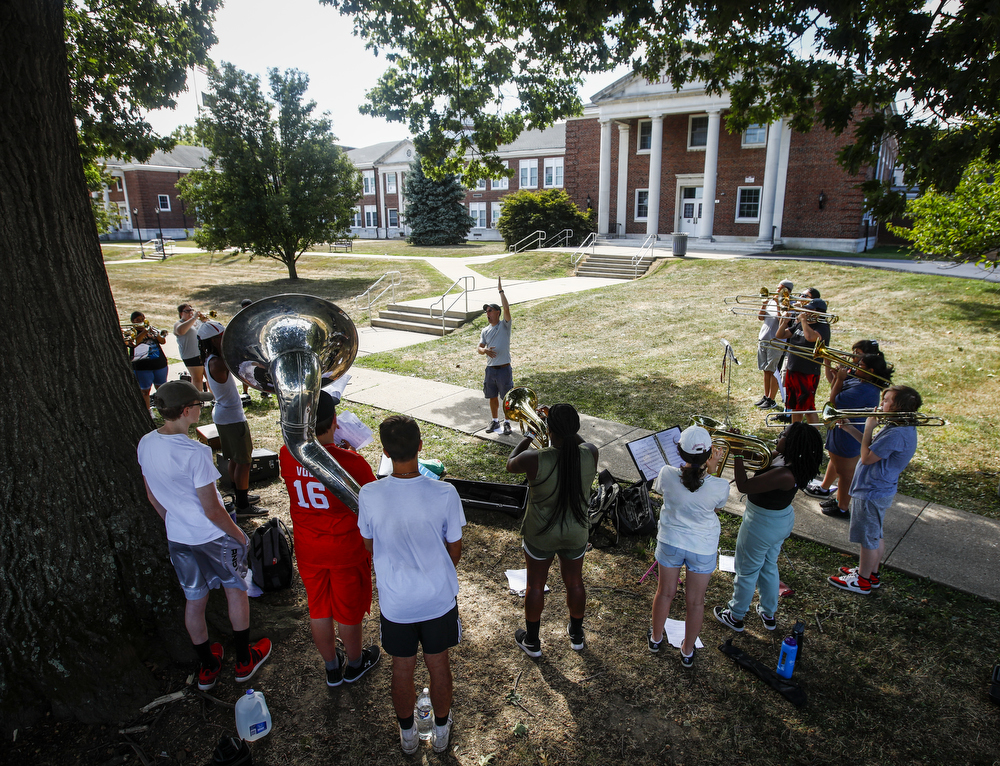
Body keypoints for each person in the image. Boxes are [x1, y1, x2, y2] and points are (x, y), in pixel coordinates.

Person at [137, 380, 271, 691]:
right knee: (235, 590)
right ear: (186, 411)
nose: (202, 407)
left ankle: (208, 666)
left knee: (194, 600)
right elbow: (212, 509)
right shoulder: (196, 452)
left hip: (178, 536)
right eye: (199, 404)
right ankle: (243, 660)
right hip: (212, 537)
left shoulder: (146, 443)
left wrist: (175, 522)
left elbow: (151, 496)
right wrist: (239, 535)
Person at [358, 415, 466, 755]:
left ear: (385, 453)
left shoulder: (370, 493)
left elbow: (368, 543)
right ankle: (441, 728)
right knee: (439, 664)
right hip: (437, 600)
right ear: (420, 447)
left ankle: (407, 733)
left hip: (397, 603)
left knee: (402, 668)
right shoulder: (445, 492)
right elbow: (455, 547)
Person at [279, 391, 381, 686]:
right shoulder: (351, 461)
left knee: (319, 608)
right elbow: (371, 499)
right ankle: (355, 663)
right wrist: (347, 453)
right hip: (345, 549)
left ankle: (331, 668)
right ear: (334, 422)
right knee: (348, 611)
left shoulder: (287, 453)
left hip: (309, 548)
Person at [505, 403, 599, 657]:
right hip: (576, 532)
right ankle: (577, 635)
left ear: (550, 429)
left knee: (535, 585)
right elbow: (578, 442)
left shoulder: (534, 459)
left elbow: (510, 463)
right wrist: (560, 427)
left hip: (541, 533)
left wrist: (531, 434)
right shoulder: (591, 453)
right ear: (576, 428)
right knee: (575, 582)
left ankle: (533, 642)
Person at [714, 421, 824, 632]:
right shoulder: (784, 459)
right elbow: (756, 458)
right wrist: (738, 442)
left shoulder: (785, 474)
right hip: (778, 520)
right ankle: (768, 612)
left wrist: (737, 454)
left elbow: (744, 486)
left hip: (762, 523)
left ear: (792, 444)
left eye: (784, 434)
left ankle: (735, 616)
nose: (778, 436)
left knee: (746, 569)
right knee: (768, 565)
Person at [647, 426, 730, 668]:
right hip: (702, 548)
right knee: (695, 602)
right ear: (708, 454)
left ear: (679, 452)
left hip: (670, 541)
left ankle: (655, 638)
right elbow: (714, 507)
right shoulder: (720, 486)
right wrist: (712, 468)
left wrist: (703, 466)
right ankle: (687, 650)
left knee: (664, 592)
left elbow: (667, 489)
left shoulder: (666, 472)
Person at [827, 385, 922, 594]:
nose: (881, 404)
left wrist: (868, 427)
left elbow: (867, 457)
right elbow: (872, 448)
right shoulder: (898, 428)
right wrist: (851, 428)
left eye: (887, 400)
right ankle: (871, 573)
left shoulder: (896, 433)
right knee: (875, 534)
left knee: (868, 538)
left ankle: (862, 581)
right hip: (877, 487)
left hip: (872, 489)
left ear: (899, 407)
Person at [805, 345, 894, 519]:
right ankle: (831, 494)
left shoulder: (864, 390)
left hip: (848, 434)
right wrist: (834, 370)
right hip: (842, 429)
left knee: (846, 473)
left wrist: (839, 380)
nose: (856, 367)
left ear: (871, 370)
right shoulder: (860, 380)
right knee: (836, 462)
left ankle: (843, 507)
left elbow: (834, 402)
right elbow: (835, 384)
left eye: (860, 365)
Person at [197, 319, 261, 516]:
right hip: (232, 417)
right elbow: (245, 364)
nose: (226, 338)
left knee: (235, 458)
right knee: (244, 461)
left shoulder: (211, 359)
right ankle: (243, 506)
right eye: (222, 336)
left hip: (225, 415)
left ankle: (240, 496)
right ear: (214, 340)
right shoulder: (219, 361)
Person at [775, 288, 831, 424]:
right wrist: (784, 320)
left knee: (808, 408)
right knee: (794, 406)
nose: (805, 311)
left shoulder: (822, 327)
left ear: (817, 312)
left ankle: (815, 435)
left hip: (808, 372)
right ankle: (795, 431)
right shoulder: (800, 324)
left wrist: (804, 321)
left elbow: (810, 337)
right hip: (793, 369)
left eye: (809, 309)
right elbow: (780, 335)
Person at [478, 277, 513, 435]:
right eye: (486, 312)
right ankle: (494, 421)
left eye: (490, 311)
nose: (488, 314)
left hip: (504, 369)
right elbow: (479, 348)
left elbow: (507, 309)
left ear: (497, 312)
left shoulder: (504, 325)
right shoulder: (485, 331)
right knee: (492, 396)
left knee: (506, 398)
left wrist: (501, 291)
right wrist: (484, 351)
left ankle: (506, 422)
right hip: (491, 369)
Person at [754, 278, 794, 410]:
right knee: (766, 369)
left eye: (780, 288)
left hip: (776, 341)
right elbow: (760, 317)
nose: (776, 291)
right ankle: (766, 396)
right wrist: (764, 303)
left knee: (774, 370)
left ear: (787, 291)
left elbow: (780, 318)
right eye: (777, 288)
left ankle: (772, 399)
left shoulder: (787, 303)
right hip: (764, 338)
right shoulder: (771, 301)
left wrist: (778, 303)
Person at [128, 310, 168, 414]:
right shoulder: (131, 332)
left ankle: (164, 409)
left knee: (162, 388)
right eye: (138, 320)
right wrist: (145, 331)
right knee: (145, 391)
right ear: (133, 321)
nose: (141, 321)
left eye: (142, 319)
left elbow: (162, 341)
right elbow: (135, 342)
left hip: (159, 363)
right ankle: (148, 412)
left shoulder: (151, 330)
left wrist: (156, 334)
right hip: (142, 366)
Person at [174, 304, 208, 393]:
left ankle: (214, 398)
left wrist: (205, 320)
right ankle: (199, 401)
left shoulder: (197, 322)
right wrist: (194, 318)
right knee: (197, 379)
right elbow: (180, 331)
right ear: (181, 313)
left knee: (210, 377)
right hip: (191, 355)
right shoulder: (179, 324)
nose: (190, 312)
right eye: (187, 311)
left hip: (202, 353)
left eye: (191, 310)